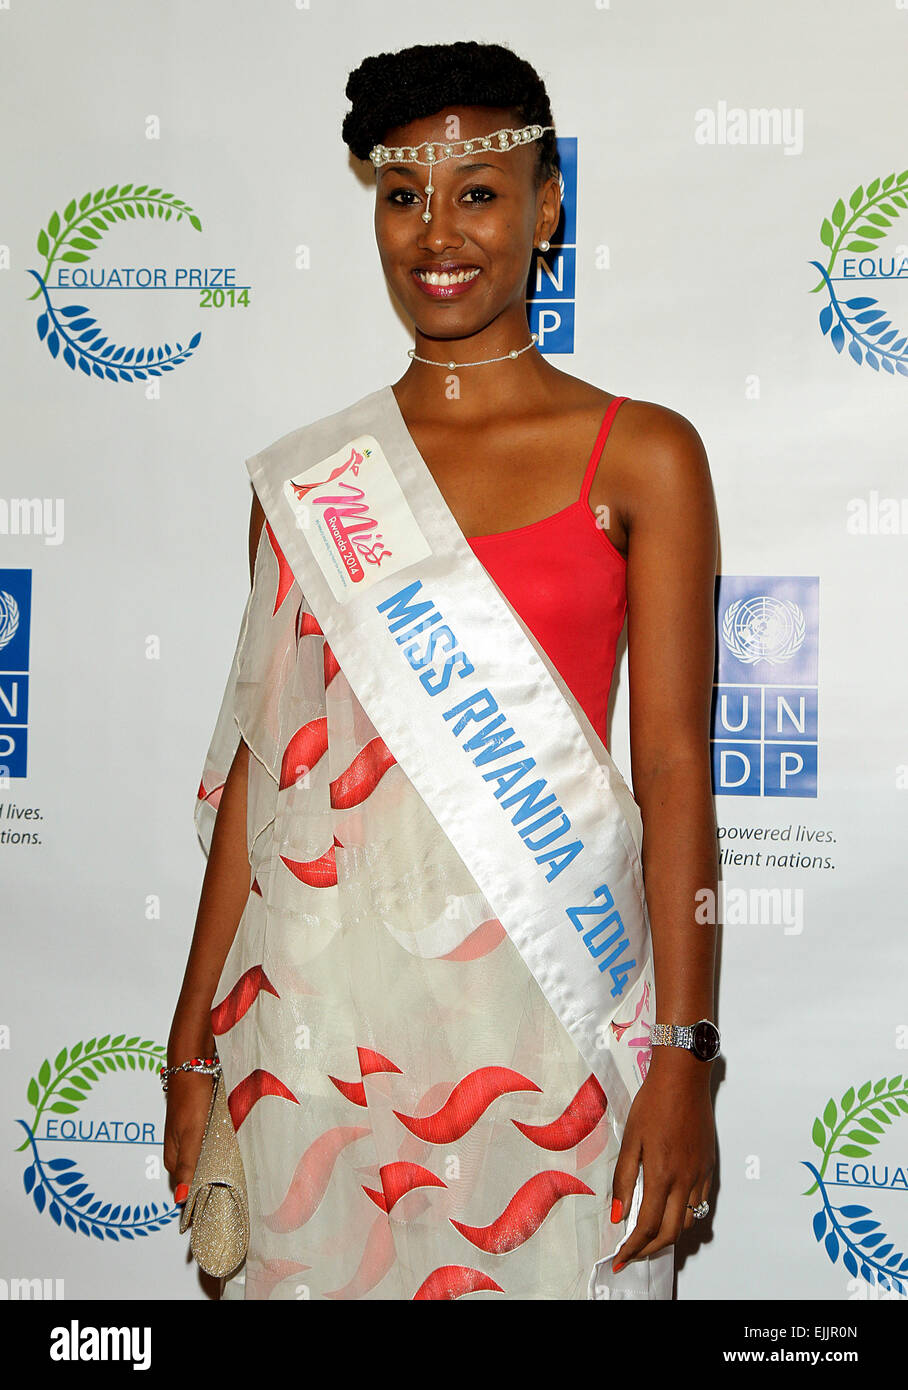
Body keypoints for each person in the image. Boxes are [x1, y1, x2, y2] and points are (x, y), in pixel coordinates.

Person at [164, 39, 719, 1301]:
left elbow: (677, 772)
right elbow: (266, 777)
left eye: (478, 190)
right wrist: (195, 1042)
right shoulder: (310, 484)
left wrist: (684, 1052)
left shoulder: (640, 457)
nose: (437, 232)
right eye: (404, 196)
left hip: (549, 1021)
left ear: (545, 205)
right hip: (315, 1034)